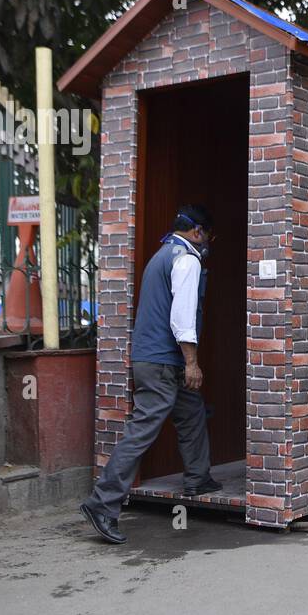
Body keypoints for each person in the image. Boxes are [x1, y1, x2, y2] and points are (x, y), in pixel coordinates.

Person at [80, 204, 220, 544]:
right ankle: (102, 503)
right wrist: (192, 362)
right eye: (209, 237)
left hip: (155, 359)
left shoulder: (162, 255)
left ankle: (197, 477)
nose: (208, 244)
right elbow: (181, 317)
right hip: (162, 362)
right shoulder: (186, 259)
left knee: (191, 411)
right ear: (198, 232)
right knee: (143, 428)